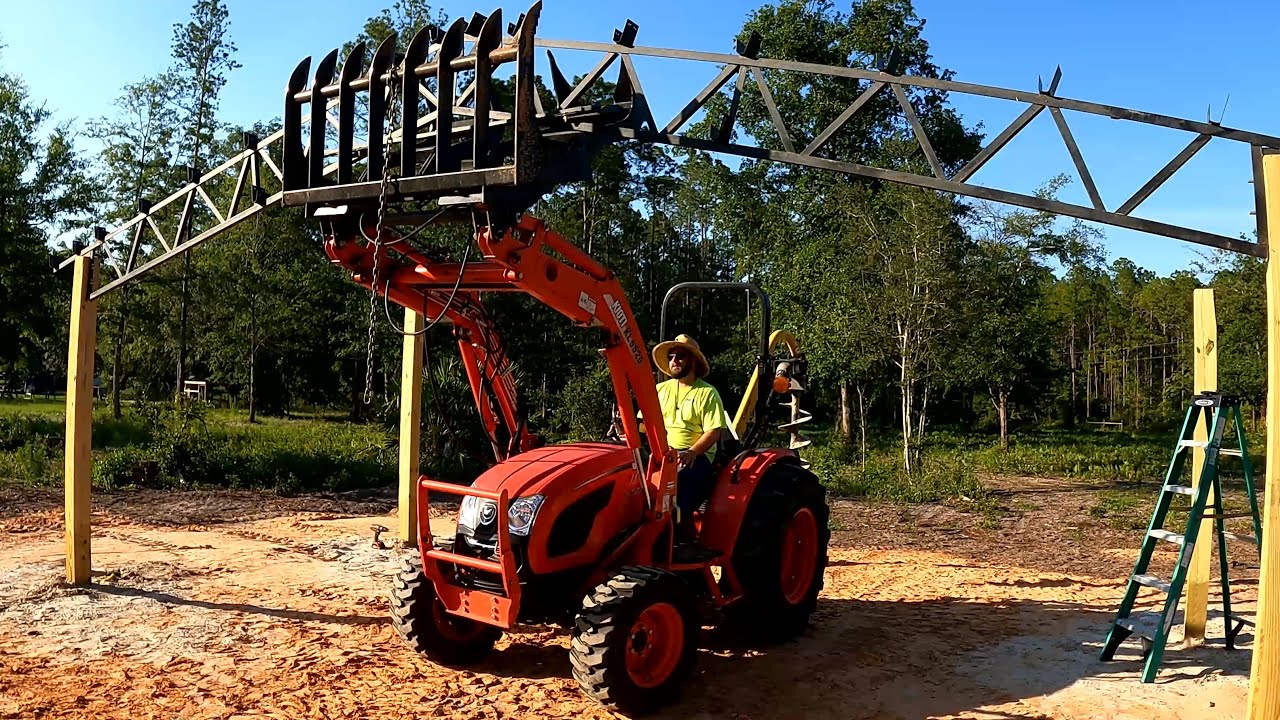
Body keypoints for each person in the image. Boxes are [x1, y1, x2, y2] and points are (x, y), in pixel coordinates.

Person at [647, 334, 728, 525]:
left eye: (680, 356)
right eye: (671, 357)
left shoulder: (707, 393)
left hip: (694, 455)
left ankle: (677, 530)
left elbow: (714, 432)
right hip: (661, 453)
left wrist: (692, 452)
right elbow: (645, 424)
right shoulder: (660, 390)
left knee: (676, 482)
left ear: (692, 361)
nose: (674, 361)